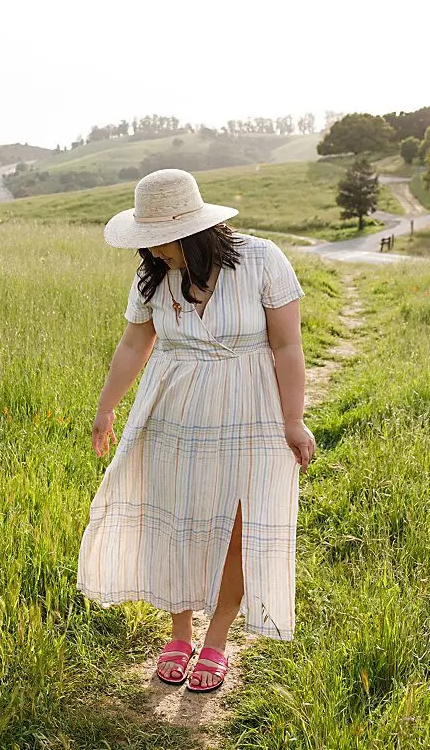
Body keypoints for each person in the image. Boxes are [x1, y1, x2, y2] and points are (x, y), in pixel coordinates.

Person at [77, 168, 316, 693]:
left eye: (160, 239)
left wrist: (293, 420)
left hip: (249, 409)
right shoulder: (153, 275)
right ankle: (180, 633)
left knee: (236, 528)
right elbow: (134, 344)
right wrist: (106, 407)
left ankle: (217, 640)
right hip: (173, 411)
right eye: (146, 240)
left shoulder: (262, 259)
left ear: (192, 231)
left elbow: (287, 345)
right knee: (175, 523)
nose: (152, 250)